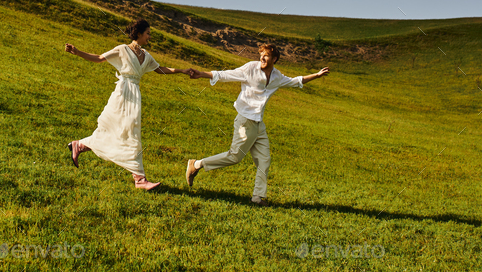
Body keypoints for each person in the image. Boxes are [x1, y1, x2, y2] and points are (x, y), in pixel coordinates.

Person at [185, 44, 329, 205]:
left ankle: (257, 198)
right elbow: (226, 74)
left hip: (259, 124)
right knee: (235, 157)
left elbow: (296, 81)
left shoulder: (276, 76)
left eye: (266, 55)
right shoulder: (251, 68)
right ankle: (196, 164)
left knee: (264, 159)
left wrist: (317, 75)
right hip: (245, 121)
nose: (262, 57)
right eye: (261, 54)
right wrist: (202, 74)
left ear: (274, 59)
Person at [65, 19, 189, 191]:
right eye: (148, 33)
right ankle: (140, 179)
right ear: (139, 33)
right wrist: (77, 52)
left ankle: (80, 145)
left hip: (134, 96)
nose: (149, 37)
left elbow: (161, 69)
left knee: (127, 132)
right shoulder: (122, 49)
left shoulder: (146, 55)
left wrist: (182, 71)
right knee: (127, 133)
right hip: (121, 95)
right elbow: (100, 58)